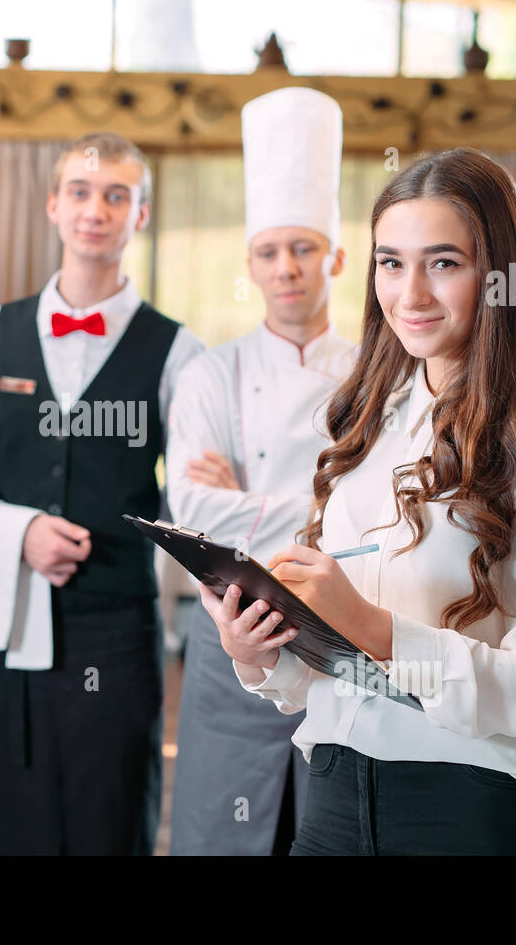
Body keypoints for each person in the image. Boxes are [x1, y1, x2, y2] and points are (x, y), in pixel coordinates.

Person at [200, 148, 516, 855]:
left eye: (443, 263)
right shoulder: (366, 420)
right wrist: (261, 650)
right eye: (391, 262)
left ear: (499, 274)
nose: (409, 293)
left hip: (472, 803)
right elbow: (331, 661)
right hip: (332, 788)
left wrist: (375, 627)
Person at [0, 132, 205, 855]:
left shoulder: (177, 351)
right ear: (53, 205)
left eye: (117, 196)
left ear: (141, 215)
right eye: (82, 192)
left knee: (110, 806)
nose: (96, 210)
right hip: (12, 606)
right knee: (10, 802)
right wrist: (16, 530)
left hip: (119, 625)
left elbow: (187, 496)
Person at [167, 87, 357, 856]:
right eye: (270, 252)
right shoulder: (210, 375)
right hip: (228, 641)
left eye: (304, 248)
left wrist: (242, 506)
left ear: (336, 257)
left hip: (344, 645)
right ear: (250, 262)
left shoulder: (378, 376)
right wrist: (326, 506)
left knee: (328, 836)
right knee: (221, 837)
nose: (287, 269)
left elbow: (387, 519)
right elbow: (188, 516)